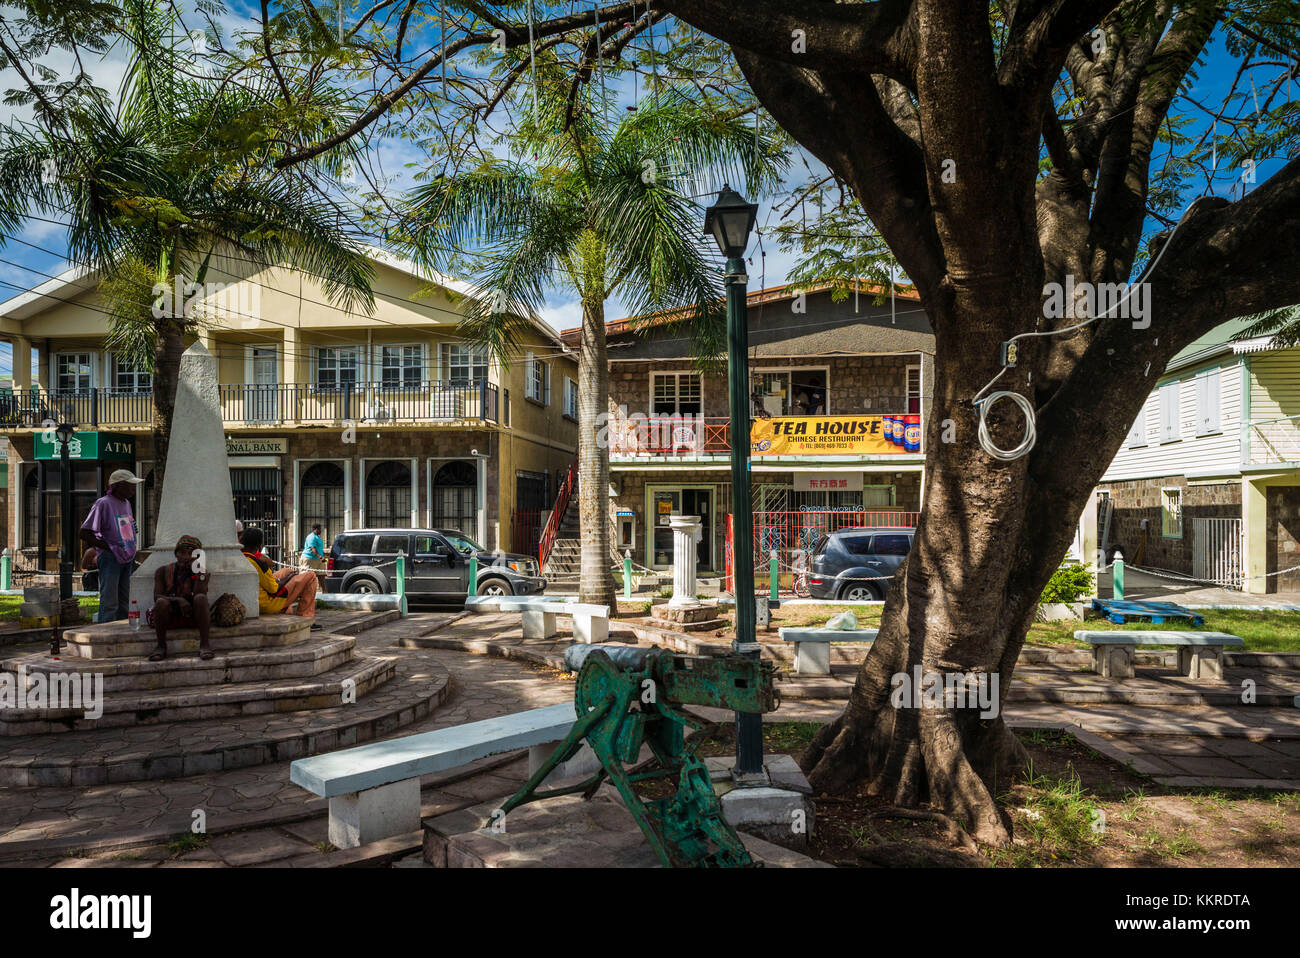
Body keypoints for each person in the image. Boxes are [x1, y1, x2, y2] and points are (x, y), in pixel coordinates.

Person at [79, 469, 145, 623]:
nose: (134, 490)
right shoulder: (103, 503)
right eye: (131, 486)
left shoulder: (126, 503)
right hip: (110, 558)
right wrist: (109, 547)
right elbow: (84, 533)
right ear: (119, 486)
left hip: (127, 557)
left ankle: (120, 632)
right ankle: (104, 634)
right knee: (109, 601)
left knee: (124, 601)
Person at [241, 526, 321, 628]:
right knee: (311, 576)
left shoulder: (242, 557)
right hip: (267, 603)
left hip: (257, 593)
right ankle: (306, 617)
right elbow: (273, 588)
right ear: (259, 545)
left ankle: (287, 612)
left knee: (287, 571)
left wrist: (287, 575)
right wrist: (288, 578)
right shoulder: (257, 563)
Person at [149, 535, 212, 661]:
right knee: (161, 602)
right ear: (176, 554)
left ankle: (205, 644)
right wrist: (179, 600)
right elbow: (157, 596)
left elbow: (200, 593)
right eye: (182, 553)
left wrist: (196, 572)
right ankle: (161, 646)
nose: (186, 557)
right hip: (170, 612)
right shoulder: (162, 571)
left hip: (192, 613)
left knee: (201, 599)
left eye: (190, 554)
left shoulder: (201, 572)